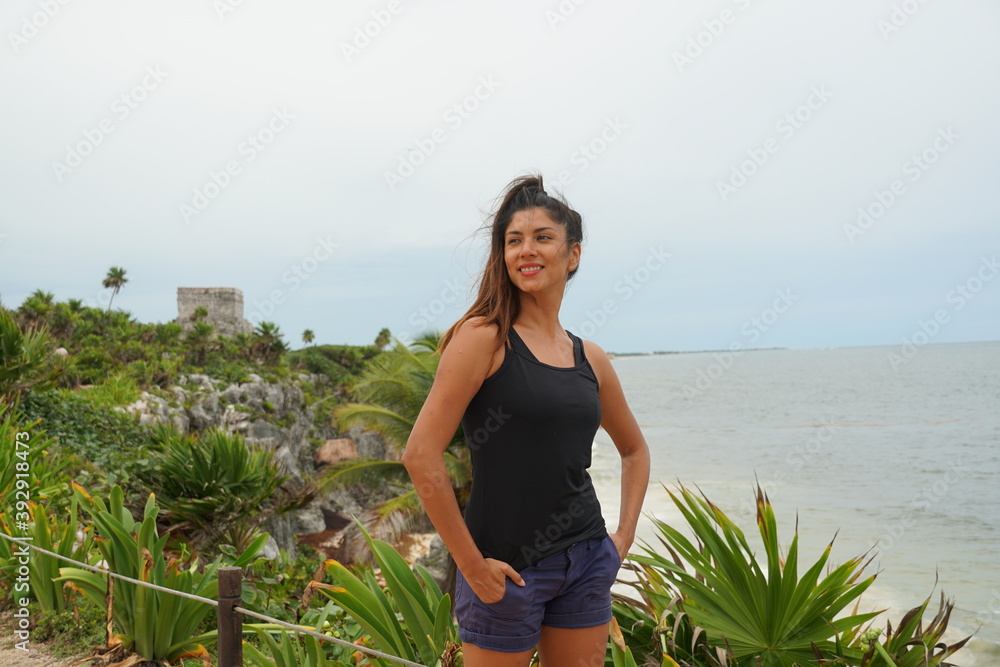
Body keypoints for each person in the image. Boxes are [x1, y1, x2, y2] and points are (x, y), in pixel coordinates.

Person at [401, 173, 650, 667]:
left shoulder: (591, 358)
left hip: (585, 560)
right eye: (513, 240)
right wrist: (472, 566)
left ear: (572, 254)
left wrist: (621, 538)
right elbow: (419, 455)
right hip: (505, 571)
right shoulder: (483, 338)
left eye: (542, 238)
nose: (526, 250)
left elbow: (634, 451)